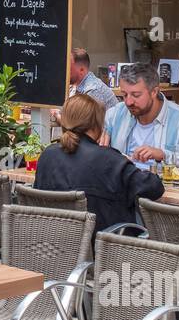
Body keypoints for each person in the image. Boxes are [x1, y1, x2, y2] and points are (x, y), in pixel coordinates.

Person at [34, 92, 164, 232]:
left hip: (51, 246)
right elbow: (154, 188)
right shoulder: (109, 160)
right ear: (96, 125)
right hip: (106, 248)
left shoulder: (47, 155)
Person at [102, 62, 179, 171]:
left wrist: (164, 155)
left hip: (164, 186)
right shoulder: (114, 115)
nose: (128, 102)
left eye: (136, 95)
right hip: (122, 184)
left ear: (154, 92)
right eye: (124, 95)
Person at [51, 48, 117, 121]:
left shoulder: (93, 90)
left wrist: (56, 114)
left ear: (81, 70)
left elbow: (78, 124)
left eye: (68, 68)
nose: (64, 72)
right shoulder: (74, 86)